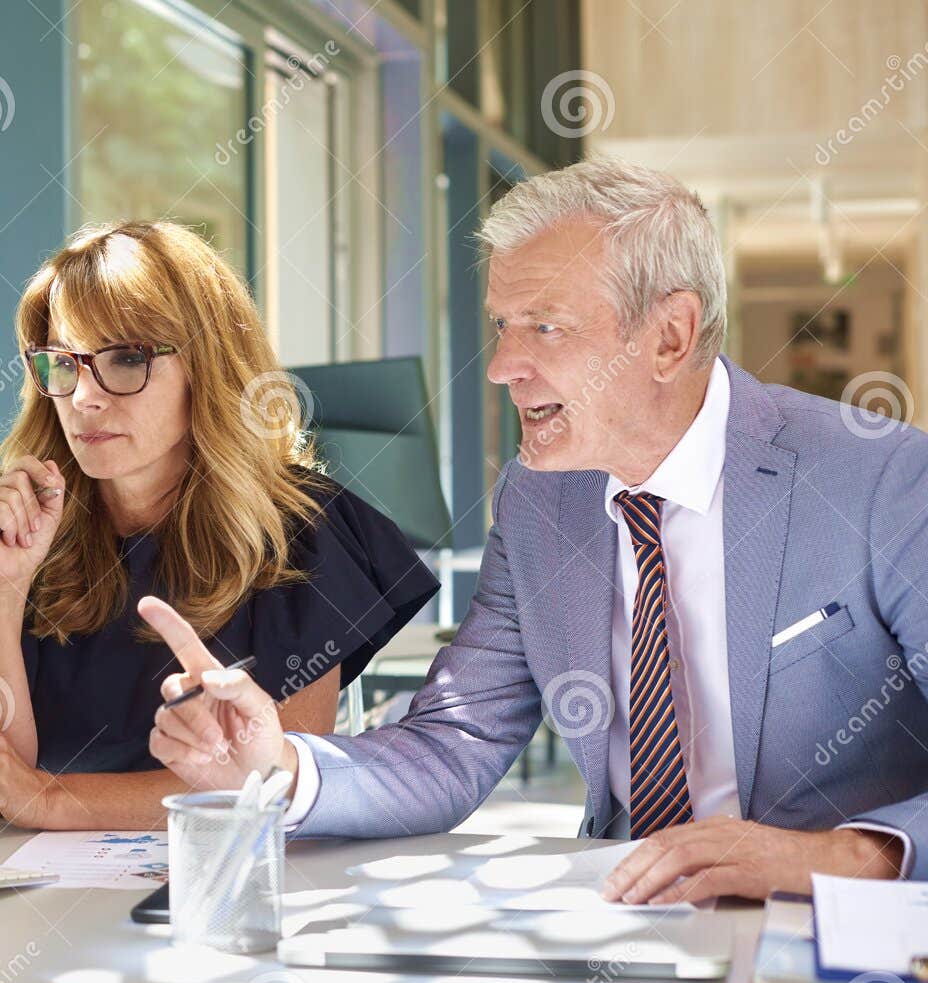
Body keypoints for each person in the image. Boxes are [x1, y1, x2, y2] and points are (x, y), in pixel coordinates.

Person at [143, 156, 928, 899]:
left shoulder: (878, 477)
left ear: (670, 337)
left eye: (545, 328)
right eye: (501, 326)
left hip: (824, 931)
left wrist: (852, 853)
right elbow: (456, 739)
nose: (501, 367)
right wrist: (278, 765)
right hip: (623, 916)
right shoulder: (540, 499)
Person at [0, 220, 438, 829]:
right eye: (63, 364)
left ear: (207, 367)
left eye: (126, 359)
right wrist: (0, 586)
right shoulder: (0, 518)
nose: (84, 399)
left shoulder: (307, 533)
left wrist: (50, 799)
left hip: (222, 879)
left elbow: (264, 788)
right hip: (31, 883)